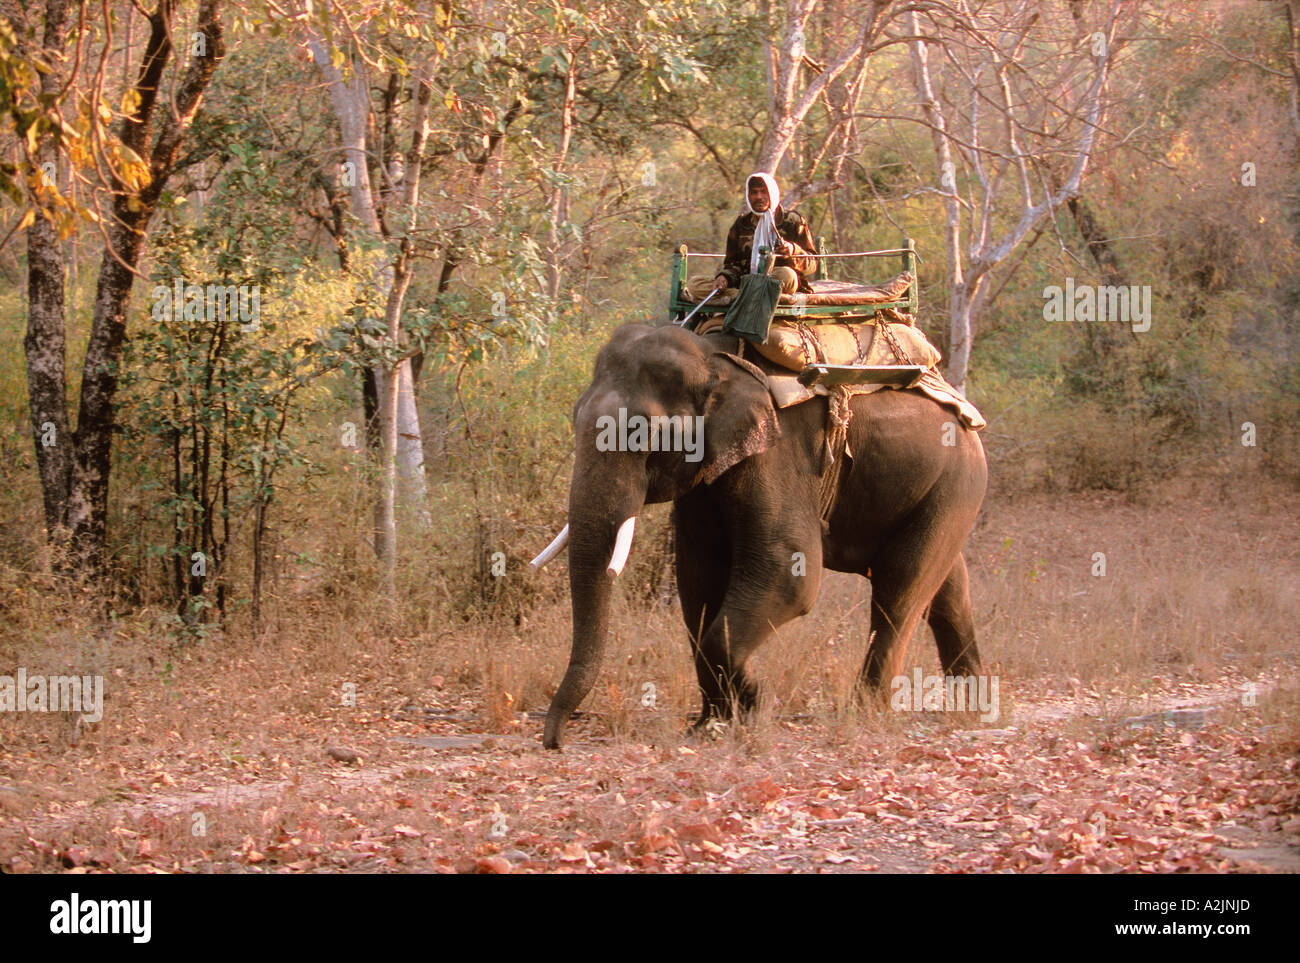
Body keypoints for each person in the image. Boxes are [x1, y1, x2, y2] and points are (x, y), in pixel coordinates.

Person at [687, 172, 819, 302]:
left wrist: (793, 251)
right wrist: (724, 277)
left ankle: (739, 297)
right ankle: (748, 296)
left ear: (772, 193)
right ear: (748, 195)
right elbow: (732, 265)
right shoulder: (741, 224)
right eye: (754, 192)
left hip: (781, 283)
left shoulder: (793, 221)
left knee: (787, 275)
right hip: (746, 282)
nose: (759, 197)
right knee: (694, 285)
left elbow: (812, 264)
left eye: (763, 192)